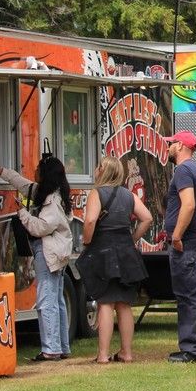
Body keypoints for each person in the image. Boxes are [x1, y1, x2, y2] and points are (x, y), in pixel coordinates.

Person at [0, 156, 73, 361]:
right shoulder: (53, 194)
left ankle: (50, 349)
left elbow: (40, 228)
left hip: (48, 253)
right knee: (57, 301)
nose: (35, 171)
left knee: (46, 301)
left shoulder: (52, 202)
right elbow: (23, 184)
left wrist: (22, 212)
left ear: (46, 175)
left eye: (38, 169)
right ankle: (62, 346)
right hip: (57, 253)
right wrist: (3, 172)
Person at [78, 156, 152, 364]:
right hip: (126, 253)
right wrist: (133, 238)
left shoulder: (97, 193)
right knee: (124, 304)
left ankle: (102, 355)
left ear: (103, 171)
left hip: (104, 251)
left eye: (98, 166)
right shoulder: (128, 195)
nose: (95, 169)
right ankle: (126, 353)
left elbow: (91, 220)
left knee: (105, 302)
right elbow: (147, 218)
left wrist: (87, 241)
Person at [164, 131, 196, 362]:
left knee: (187, 295)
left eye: (171, 143)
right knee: (194, 294)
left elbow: (190, 205)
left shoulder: (183, 170)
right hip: (195, 240)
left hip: (186, 244)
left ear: (181, 146)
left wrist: (177, 236)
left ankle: (192, 350)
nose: (168, 147)